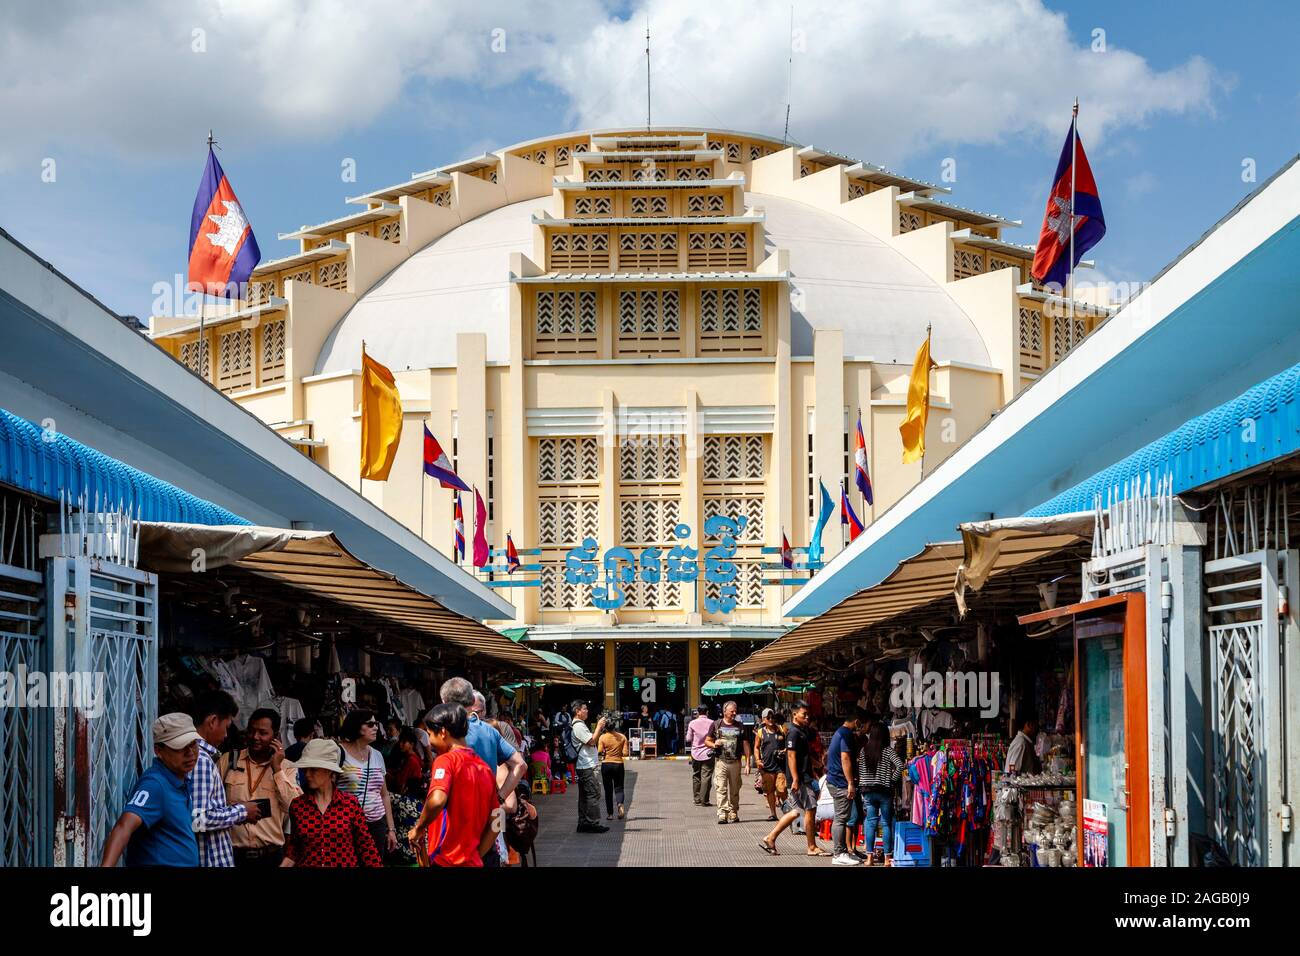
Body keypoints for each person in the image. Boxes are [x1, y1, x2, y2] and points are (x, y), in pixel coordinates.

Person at [440, 677, 525, 865]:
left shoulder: (446, 734)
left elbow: (437, 797)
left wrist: (420, 827)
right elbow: (520, 765)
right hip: (490, 817)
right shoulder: (489, 732)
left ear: (444, 703)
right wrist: (500, 797)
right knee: (490, 857)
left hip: (458, 824)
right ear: (471, 702)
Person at [99, 713, 201, 867]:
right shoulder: (155, 784)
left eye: (193, 744)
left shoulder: (180, 781)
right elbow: (124, 826)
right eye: (180, 747)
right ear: (159, 751)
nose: (190, 752)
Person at [409, 702, 501, 867]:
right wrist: (477, 855)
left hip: (446, 860)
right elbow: (498, 819)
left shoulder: (445, 761)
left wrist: (419, 828)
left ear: (443, 732)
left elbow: (437, 800)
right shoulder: (484, 768)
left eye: (430, 734)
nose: (429, 742)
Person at [281, 738, 382, 868]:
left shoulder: (350, 805)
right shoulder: (298, 806)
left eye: (313, 769)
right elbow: (293, 849)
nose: (307, 774)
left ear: (329, 770)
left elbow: (366, 847)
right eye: (305, 769)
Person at [222, 707, 302, 867]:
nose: (255, 737)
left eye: (263, 733)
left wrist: (277, 769)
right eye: (251, 731)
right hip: (233, 855)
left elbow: (295, 808)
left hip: (270, 856)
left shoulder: (287, 767)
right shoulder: (229, 760)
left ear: (276, 736)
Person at [190, 690, 260, 867]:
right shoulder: (201, 760)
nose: (227, 735)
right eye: (227, 727)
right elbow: (199, 819)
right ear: (213, 722)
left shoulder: (200, 757)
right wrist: (241, 811)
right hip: (210, 860)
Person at [759, 701, 826, 857]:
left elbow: (803, 754)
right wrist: (796, 778)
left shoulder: (801, 731)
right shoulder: (794, 732)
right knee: (810, 810)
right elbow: (791, 755)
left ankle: (770, 837)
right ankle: (811, 847)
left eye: (808, 714)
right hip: (801, 778)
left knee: (795, 811)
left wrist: (815, 764)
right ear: (795, 714)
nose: (807, 717)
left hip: (804, 775)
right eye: (804, 714)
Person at [337, 710, 399, 860]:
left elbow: (384, 794)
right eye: (370, 724)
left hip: (377, 823)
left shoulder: (377, 755)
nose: (376, 728)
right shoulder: (338, 753)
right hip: (347, 824)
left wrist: (391, 829)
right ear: (356, 726)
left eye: (376, 724)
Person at [858, 723, 904, 865]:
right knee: (886, 823)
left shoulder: (864, 750)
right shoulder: (888, 750)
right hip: (884, 791)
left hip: (868, 792)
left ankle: (870, 858)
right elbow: (900, 765)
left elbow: (860, 771)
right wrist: (892, 780)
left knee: (871, 823)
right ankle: (887, 859)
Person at [826, 708, 865, 866]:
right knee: (841, 819)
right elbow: (845, 758)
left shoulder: (841, 732)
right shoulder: (846, 734)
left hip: (837, 780)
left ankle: (843, 851)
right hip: (840, 782)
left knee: (842, 818)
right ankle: (839, 853)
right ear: (856, 721)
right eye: (861, 723)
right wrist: (850, 782)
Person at [704, 700, 752, 824]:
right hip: (721, 762)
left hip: (735, 763)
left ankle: (733, 812)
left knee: (735, 789)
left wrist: (747, 763)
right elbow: (707, 741)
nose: (734, 713)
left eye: (735, 711)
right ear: (724, 711)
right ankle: (722, 813)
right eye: (732, 711)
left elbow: (746, 745)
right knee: (721, 788)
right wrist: (714, 744)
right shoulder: (716, 725)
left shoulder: (740, 726)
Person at [569, 700, 609, 833]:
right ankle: (593, 823)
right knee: (593, 794)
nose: (587, 711)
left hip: (584, 765)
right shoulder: (578, 726)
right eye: (584, 709)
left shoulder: (580, 725)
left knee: (585, 795)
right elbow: (591, 741)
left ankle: (583, 822)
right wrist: (598, 726)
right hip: (586, 765)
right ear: (577, 711)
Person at [754, 708, 788, 821]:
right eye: (768, 718)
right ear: (763, 719)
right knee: (769, 791)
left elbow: (789, 743)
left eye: (772, 717)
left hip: (781, 766)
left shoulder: (782, 729)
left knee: (782, 789)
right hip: (767, 766)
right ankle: (773, 814)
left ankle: (787, 813)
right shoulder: (760, 732)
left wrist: (785, 751)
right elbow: (756, 747)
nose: (771, 719)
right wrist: (758, 760)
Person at [597, 715, 630, 820]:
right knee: (619, 788)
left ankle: (610, 814)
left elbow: (599, 751)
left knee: (608, 790)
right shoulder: (622, 737)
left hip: (606, 765)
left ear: (606, 727)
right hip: (618, 765)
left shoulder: (602, 737)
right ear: (615, 726)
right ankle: (620, 805)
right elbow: (625, 753)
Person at [685, 704, 714, 806]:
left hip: (695, 753)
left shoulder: (692, 723)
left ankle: (697, 799)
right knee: (706, 776)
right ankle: (704, 800)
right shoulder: (712, 723)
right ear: (707, 712)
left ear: (697, 712)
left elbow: (688, 739)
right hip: (708, 753)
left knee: (696, 775)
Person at [387, 727, 426, 799]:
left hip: (410, 795)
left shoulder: (411, 760)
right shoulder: (414, 755)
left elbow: (400, 781)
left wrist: (388, 775)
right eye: (400, 742)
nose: (400, 745)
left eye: (404, 742)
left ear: (412, 744)